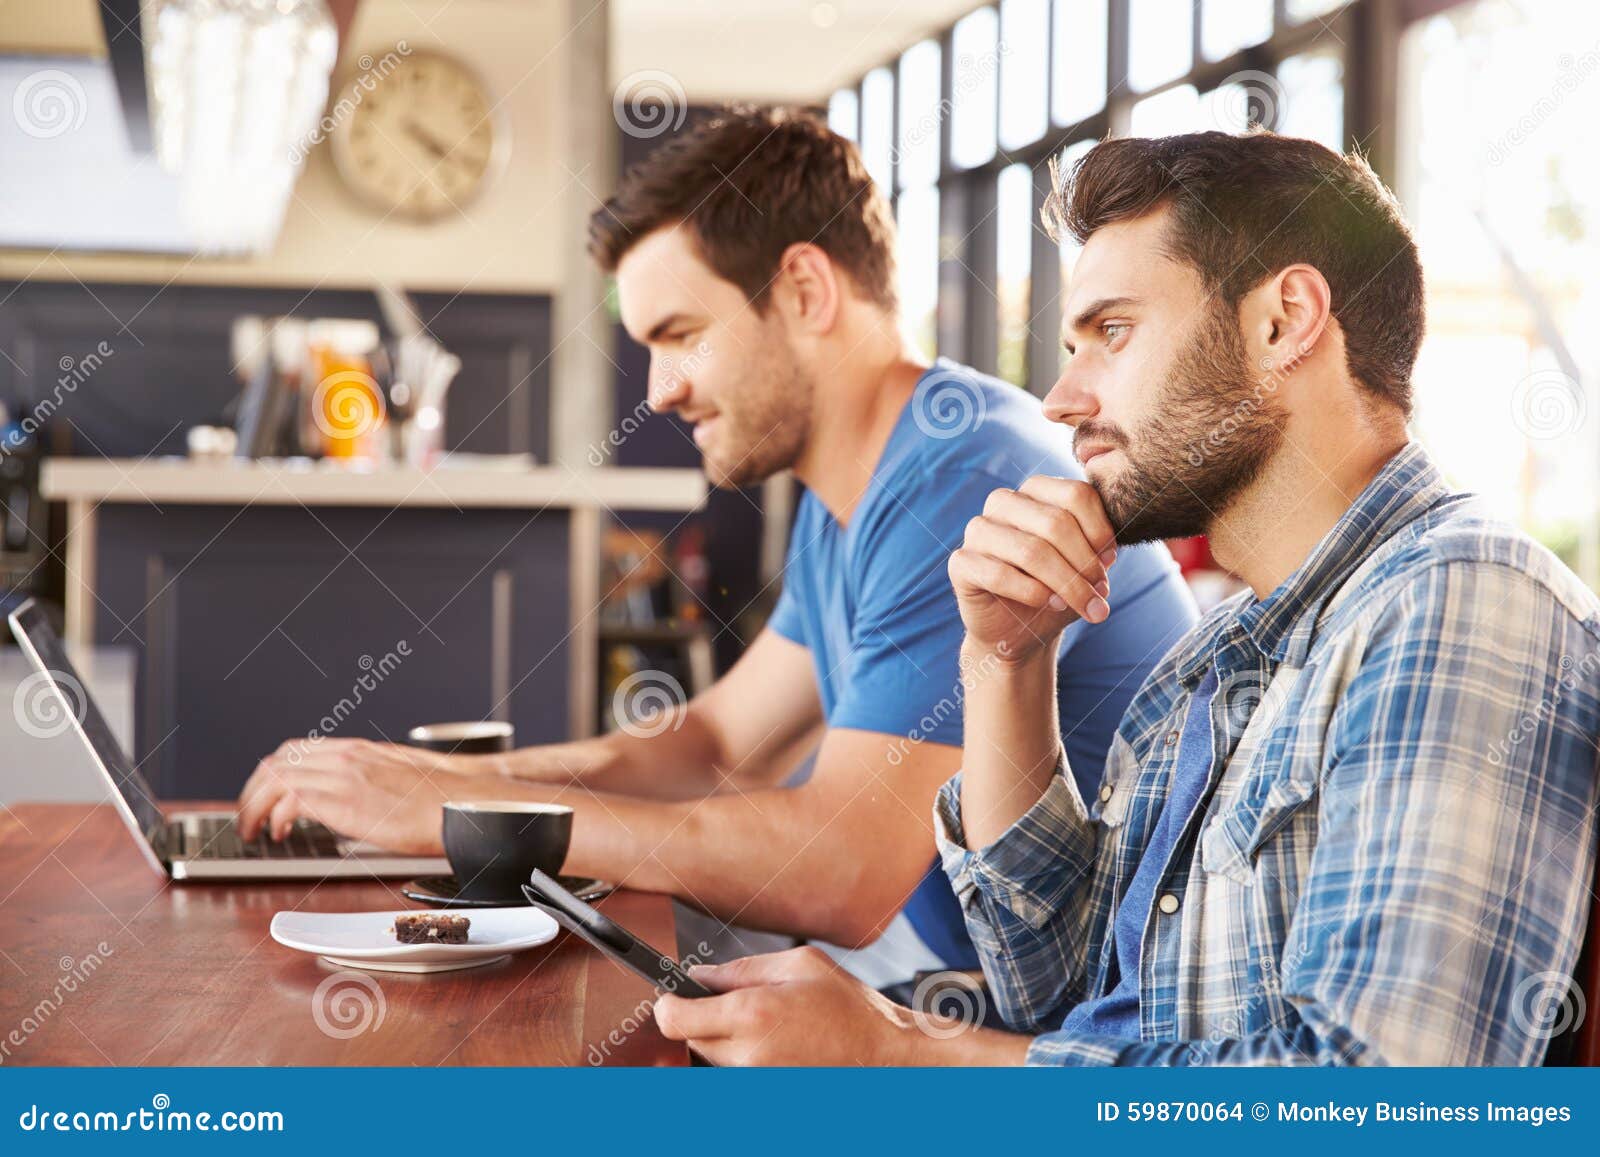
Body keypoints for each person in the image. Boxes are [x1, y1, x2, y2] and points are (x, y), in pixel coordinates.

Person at [652, 129, 1600, 1065]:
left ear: (1284, 320)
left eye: (1112, 332)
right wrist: (1006, 662)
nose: (1061, 398)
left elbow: (1385, 1104)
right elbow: (1056, 987)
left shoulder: (1458, 602)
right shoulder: (1229, 644)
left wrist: (896, 1055)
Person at [234, 108, 1196, 989]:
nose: (657, 390)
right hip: (966, 982)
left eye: (681, 334)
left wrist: (456, 814)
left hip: (1072, 1039)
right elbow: (714, 743)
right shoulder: (855, 485)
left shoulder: (961, 474)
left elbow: (844, 870)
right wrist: (448, 786)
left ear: (806, 290)